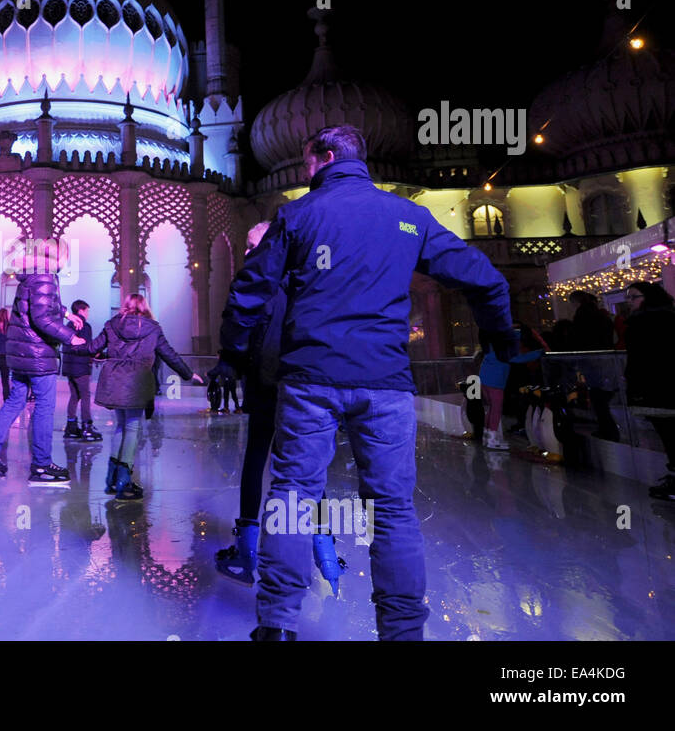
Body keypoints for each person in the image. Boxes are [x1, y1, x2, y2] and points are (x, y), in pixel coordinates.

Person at [220, 125, 516, 641]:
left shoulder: (298, 215)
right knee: (391, 510)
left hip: (311, 380)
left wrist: (231, 352)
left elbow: (251, 289)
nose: (304, 172)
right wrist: (502, 342)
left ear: (325, 157)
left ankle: (278, 627)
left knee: (292, 498)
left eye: (307, 162)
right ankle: (402, 634)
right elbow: (486, 279)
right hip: (385, 383)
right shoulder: (409, 217)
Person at [216, 221, 347, 594]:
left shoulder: (260, 282)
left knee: (257, 460)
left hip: (268, 384)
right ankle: (325, 552)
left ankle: (247, 553)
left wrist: (232, 362)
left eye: (251, 246)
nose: (245, 253)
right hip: (303, 386)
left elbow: (245, 332)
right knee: (309, 466)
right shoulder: (306, 277)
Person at [0, 238, 85, 485]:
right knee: (44, 405)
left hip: (22, 352)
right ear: (58, 256)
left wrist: (67, 313)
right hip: (37, 353)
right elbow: (42, 318)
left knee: (15, 400)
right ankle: (42, 465)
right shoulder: (46, 276)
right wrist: (70, 337)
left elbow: (43, 305)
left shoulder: (33, 274)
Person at [79, 293, 201, 499]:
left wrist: (69, 340)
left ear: (125, 306)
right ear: (145, 307)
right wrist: (189, 374)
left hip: (115, 380)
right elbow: (169, 354)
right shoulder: (153, 328)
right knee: (132, 427)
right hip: (137, 381)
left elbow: (93, 347)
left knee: (120, 426)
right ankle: (124, 482)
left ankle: (111, 479)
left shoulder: (112, 325)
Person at [622, 281, 675, 500]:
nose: (630, 302)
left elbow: (639, 358)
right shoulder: (669, 316)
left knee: (668, 434)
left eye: (634, 297)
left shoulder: (642, 322)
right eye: (628, 298)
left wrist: (632, 382)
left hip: (655, 388)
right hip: (665, 386)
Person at [476, 328, 543, 450]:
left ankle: (487, 437)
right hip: (495, 383)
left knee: (491, 409)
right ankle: (492, 440)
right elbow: (519, 359)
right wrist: (539, 352)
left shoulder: (493, 346)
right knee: (496, 410)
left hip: (485, 380)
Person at [568, 290, 620, 440]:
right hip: (605, 358)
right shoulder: (602, 316)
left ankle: (607, 429)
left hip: (592, 361)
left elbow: (576, 339)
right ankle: (608, 429)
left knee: (598, 398)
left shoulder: (582, 317)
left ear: (575, 303)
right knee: (602, 397)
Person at [62, 299, 102, 443]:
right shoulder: (85, 326)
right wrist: (95, 355)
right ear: (81, 310)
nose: (88, 313)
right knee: (85, 396)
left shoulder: (67, 325)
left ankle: (71, 426)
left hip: (69, 366)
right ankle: (87, 426)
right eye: (87, 310)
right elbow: (87, 346)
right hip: (81, 366)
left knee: (74, 396)